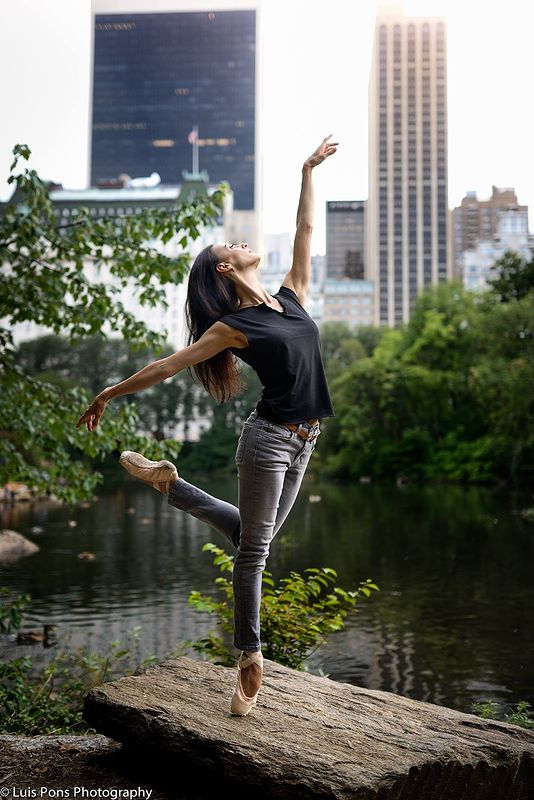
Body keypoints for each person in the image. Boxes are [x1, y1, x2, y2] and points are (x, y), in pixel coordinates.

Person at [75, 134, 338, 716]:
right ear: (226, 267)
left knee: (252, 538)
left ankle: (171, 484)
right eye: (232, 244)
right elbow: (168, 366)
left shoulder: (292, 297)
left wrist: (307, 170)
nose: (244, 243)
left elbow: (305, 230)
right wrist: (109, 392)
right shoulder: (232, 327)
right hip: (269, 441)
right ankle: (249, 656)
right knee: (254, 553)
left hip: (306, 441)